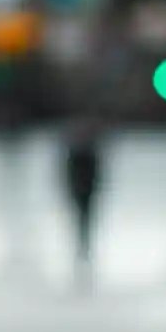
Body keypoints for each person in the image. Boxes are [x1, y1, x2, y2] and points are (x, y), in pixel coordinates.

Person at [64, 109, 105, 282]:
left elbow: (96, 175)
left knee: (85, 219)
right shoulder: (77, 155)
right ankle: (82, 246)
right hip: (80, 191)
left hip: (87, 192)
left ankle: (84, 246)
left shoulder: (89, 154)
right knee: (81, 219)